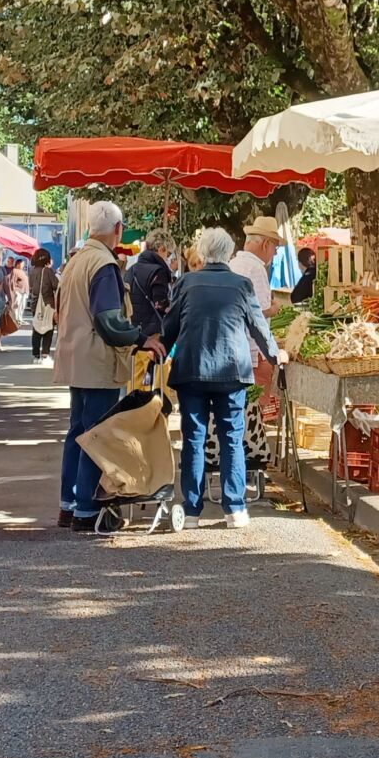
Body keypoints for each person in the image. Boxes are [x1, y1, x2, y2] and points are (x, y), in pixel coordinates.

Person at [162, 226, 280, 528]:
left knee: (193, 438)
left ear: (203, 253)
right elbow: (258, 327)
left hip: (192, 370)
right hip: (231, 371)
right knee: (231, 438)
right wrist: (276, 356)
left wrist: (158, 350)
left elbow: (170, 326)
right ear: (228, 253)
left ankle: (191, 511)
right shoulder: (241, 285)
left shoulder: (186, 283)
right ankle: (235, 508)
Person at [52, 203, 150, 531]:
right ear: (118, 229)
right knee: (97, 435)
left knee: (78, 431)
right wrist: (140, 339)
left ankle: (69, 505)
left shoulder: (77, 259)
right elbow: (109, 320)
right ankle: (87, 510)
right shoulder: (104, 264)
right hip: (97, 360)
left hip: (75, 357)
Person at [127, 230, 176, 342]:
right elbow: (161, 304)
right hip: (152, 337)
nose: (168, 259)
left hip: (132, 334)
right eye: (168, 254)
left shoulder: (131, 270)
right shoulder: (158, 272)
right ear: (162, 249)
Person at [231, 216, 278, 311]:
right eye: (275, 248)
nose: (275, 253)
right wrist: (274, 309)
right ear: (266, 244)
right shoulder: (256, 268)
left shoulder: (233, 263)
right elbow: (259, 313)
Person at [27, 248, 59, 361]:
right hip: (47, 304)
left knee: (36, 328)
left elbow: (31, 286)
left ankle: (35, 354)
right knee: (48, 329)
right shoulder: (48, 271)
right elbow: (56, 285)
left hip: (35, 304)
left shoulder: (32, 271)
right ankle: (45, 354)